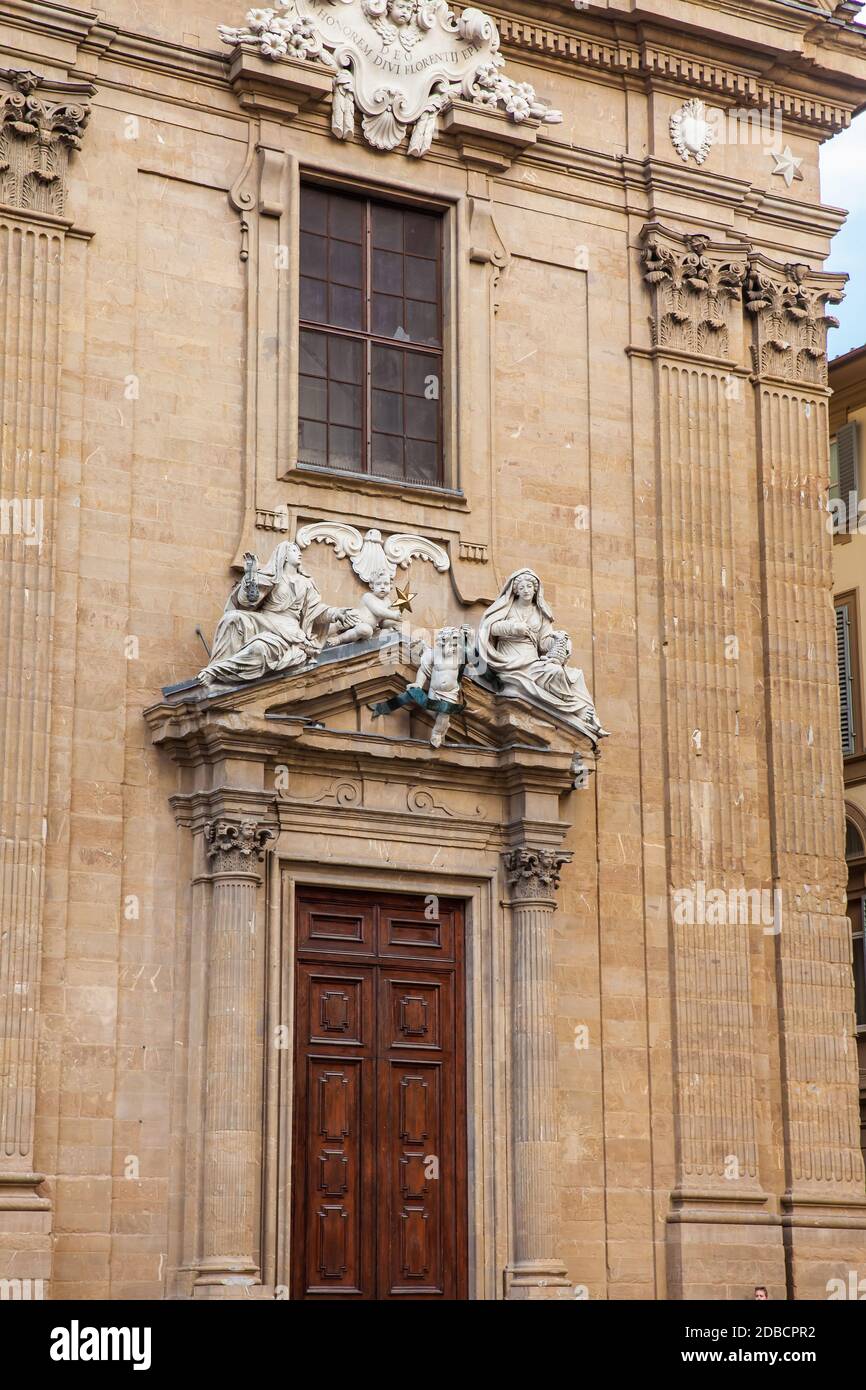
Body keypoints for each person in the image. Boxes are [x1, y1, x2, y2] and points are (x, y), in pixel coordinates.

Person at [476, 569, 607, 736]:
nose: (526, 590)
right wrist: (515, 627)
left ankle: (579, 711)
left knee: (559, 672)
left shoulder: (540, 613)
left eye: (529, 586)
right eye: (521, 587)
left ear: (535, 589)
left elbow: (544, 642)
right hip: (509, 658)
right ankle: (578, 710)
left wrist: (559, 639)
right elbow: (491, 628)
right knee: (550, 673)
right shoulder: (507, 608)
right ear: (515, 590)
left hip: (531, 658)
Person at [199, 541, 348, 686]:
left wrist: (336, 613)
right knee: (232, 618)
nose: (299, 554)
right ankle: (215, 667)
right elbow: (248, 601)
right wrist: (251, 578)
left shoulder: (306, 583)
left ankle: (216, 671)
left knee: (258, 648)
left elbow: (316, 610)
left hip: (288, 632)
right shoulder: (273, 578)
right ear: (284, 555)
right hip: (264, 621)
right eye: (294, 550)